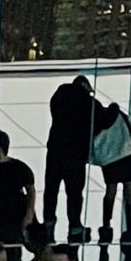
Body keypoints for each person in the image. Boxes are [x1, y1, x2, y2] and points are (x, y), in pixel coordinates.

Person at [43, 73, 98, 245]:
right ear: (85, 87)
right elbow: (102, 118)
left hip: (55, 150)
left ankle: (48, 224)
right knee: (74, 193)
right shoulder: (87, 101)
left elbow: (54, 109)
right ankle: (74, 226)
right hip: (75, 154)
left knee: (51, 189)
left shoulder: (60, 94)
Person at [94, 99, 131, 250]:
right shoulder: (120, 116)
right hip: (129, 155)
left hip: (109, 161)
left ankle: (106, 226)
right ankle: (130, 230)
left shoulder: (96, 120)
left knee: (110, 192)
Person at [0, 128, 35, 261]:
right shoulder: (18, 167)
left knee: (12, 253)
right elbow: (31, 191)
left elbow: (31, 191)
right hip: (2, 218)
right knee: (2, 252)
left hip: (11, 218)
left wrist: (29, 213)